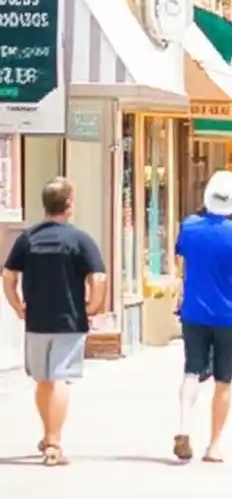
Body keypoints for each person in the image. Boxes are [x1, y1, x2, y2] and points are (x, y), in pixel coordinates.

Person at [1, 177, 106, 466]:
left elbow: (8, 276)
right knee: (60, 378)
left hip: (36, 321)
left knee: (43, 380)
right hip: (69, 321)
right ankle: (55, 443)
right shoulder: (79, 239)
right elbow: (98, 277)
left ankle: (48, 434)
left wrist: (17, 306)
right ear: (69, 204)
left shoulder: (29, 238)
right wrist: (93, 307)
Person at [173, 171, 232, 463]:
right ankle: (214, 445)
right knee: (224, 380)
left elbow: (180, 259)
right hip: (228, 313)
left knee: (191, 370)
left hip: (194, 309)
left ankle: (184, 428)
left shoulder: (189, 226)